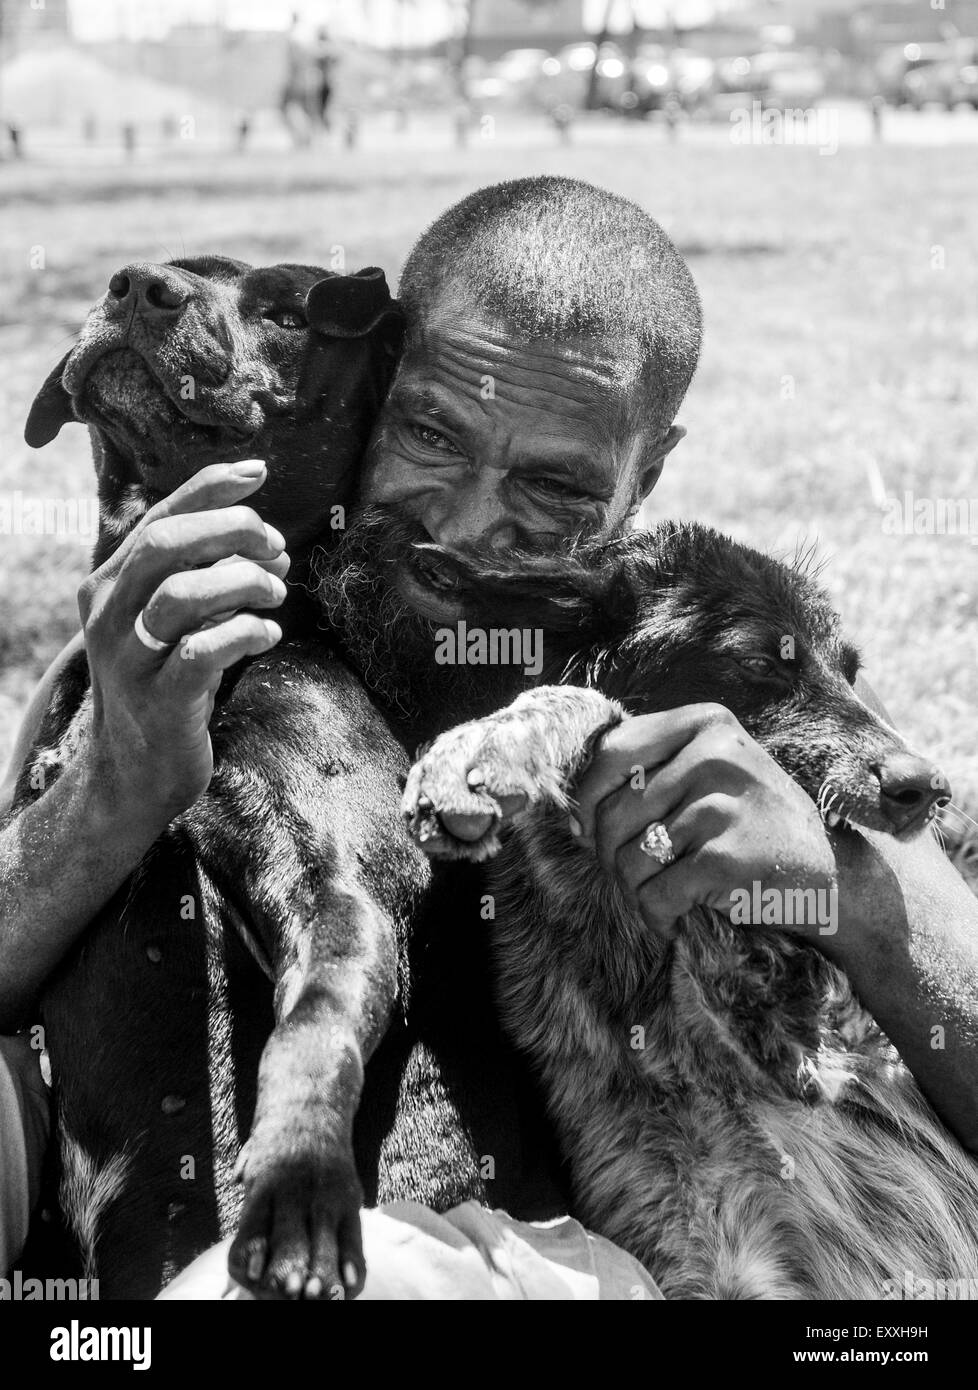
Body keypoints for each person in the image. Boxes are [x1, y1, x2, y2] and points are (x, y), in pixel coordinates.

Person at [2, 177, 977, 1299]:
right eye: (430, 433)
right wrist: (107, 794)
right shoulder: (190, 630)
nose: (466, 523)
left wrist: (831, 890)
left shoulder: (689, 651)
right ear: (379, 384)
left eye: (555, 486)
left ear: (643, 476)